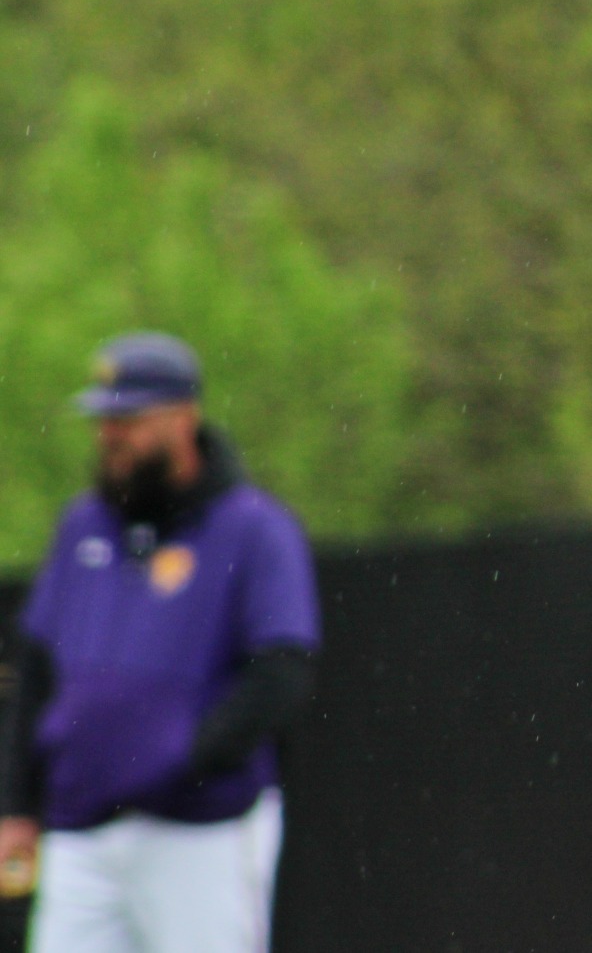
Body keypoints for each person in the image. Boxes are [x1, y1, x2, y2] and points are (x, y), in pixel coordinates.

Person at [0, 333, 320, 953]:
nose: (109, 435)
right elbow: (36, 671)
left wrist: (184, 757)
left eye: (129, 419)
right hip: (81, 829)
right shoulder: (83, 525)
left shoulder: (253, 529)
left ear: (184, 417)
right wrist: (17, 805)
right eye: (103, 419)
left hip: (198, 832)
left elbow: (282, 671)